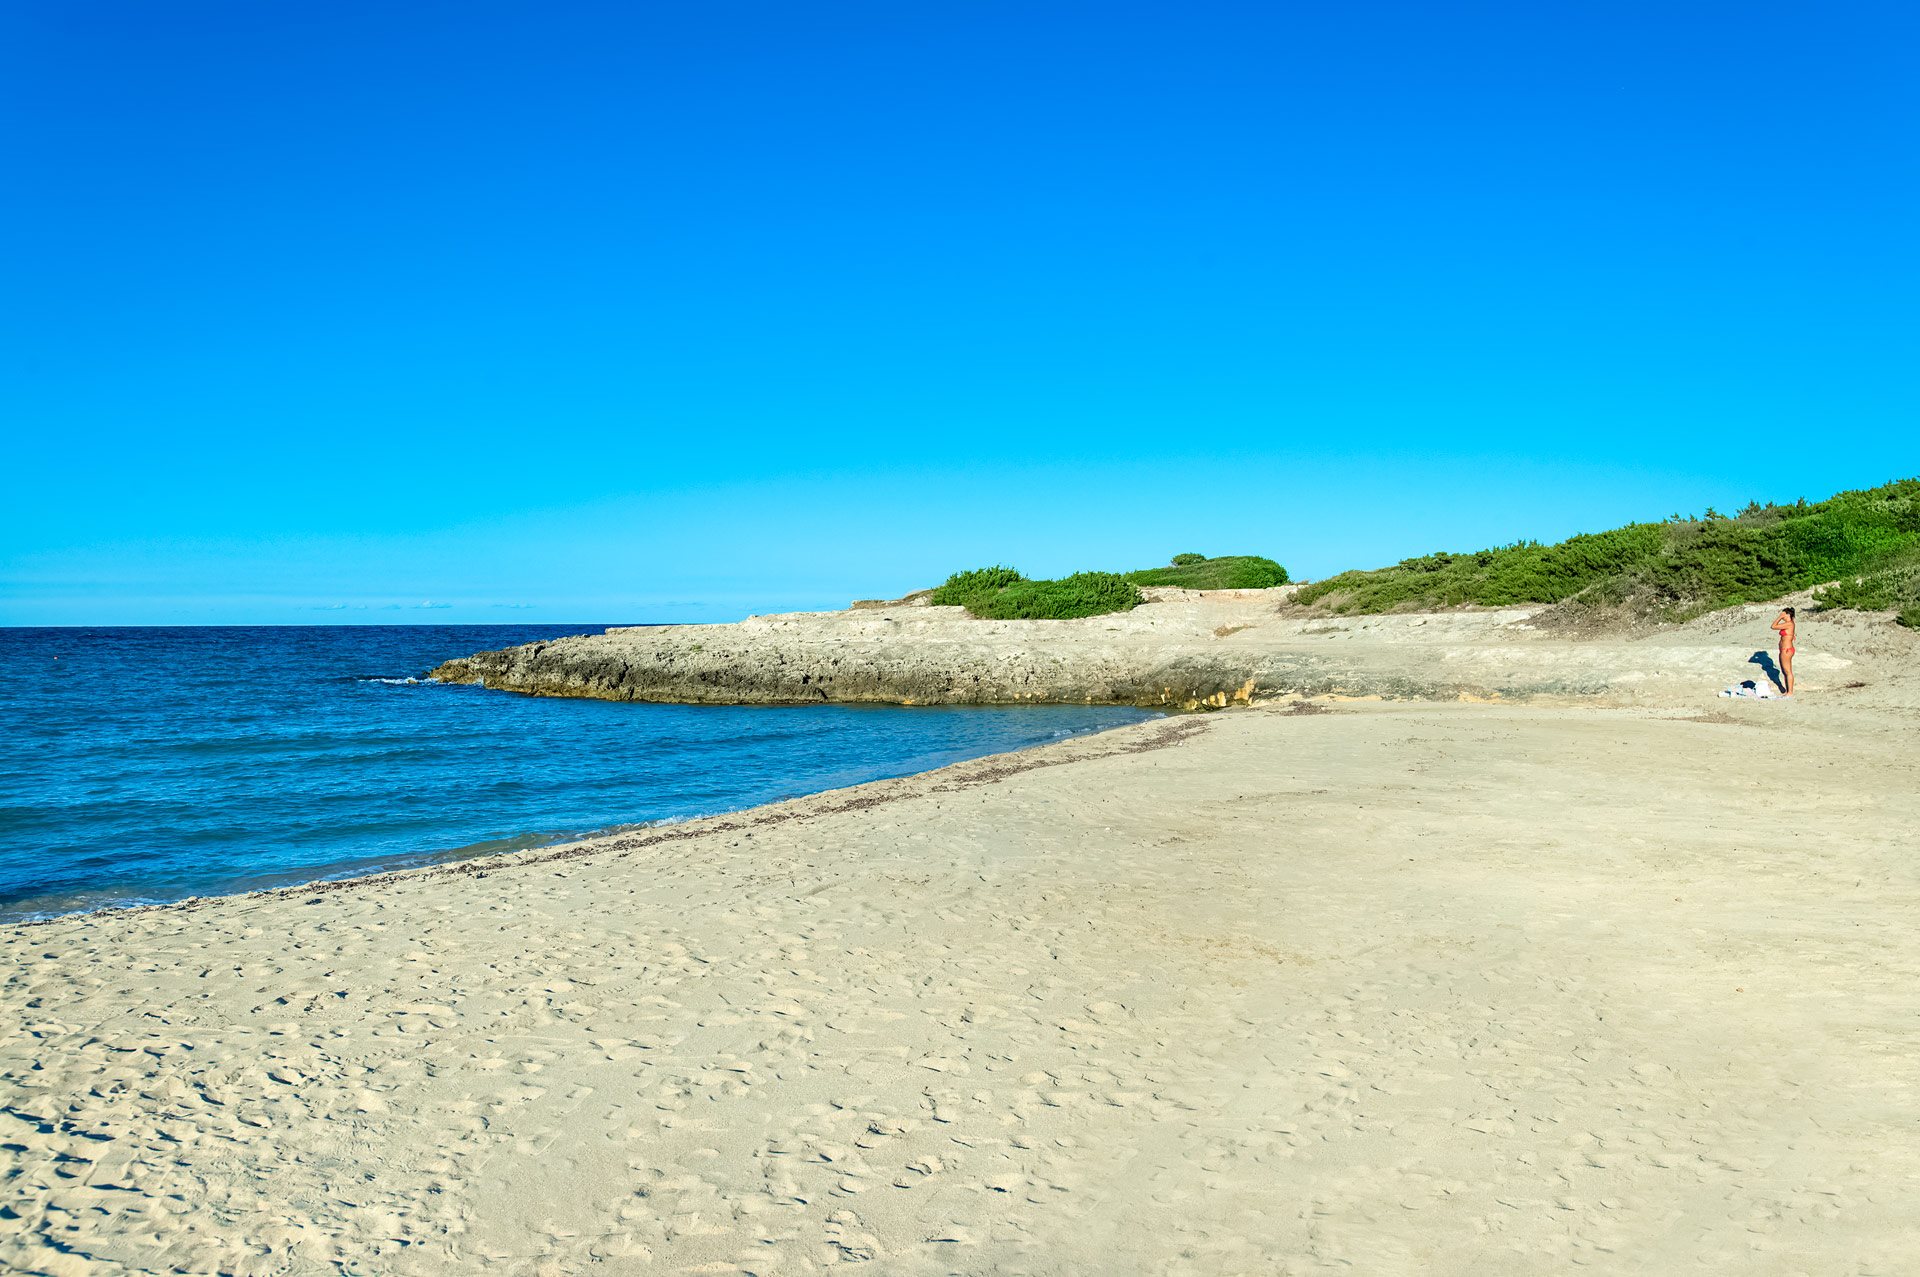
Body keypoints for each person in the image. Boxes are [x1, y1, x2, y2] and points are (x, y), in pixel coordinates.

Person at [1770, 607, 1797, 695]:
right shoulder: (1789, 624)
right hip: (1784, 650)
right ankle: (1787, 691)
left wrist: (1779, 617)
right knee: (1785, 671)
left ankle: (1790, 692)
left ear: (1788, 614)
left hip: (1786, 650)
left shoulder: (1789, 623)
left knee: (1788, 671)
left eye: (1783, 614)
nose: (1782, 615)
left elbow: (1773, 626)